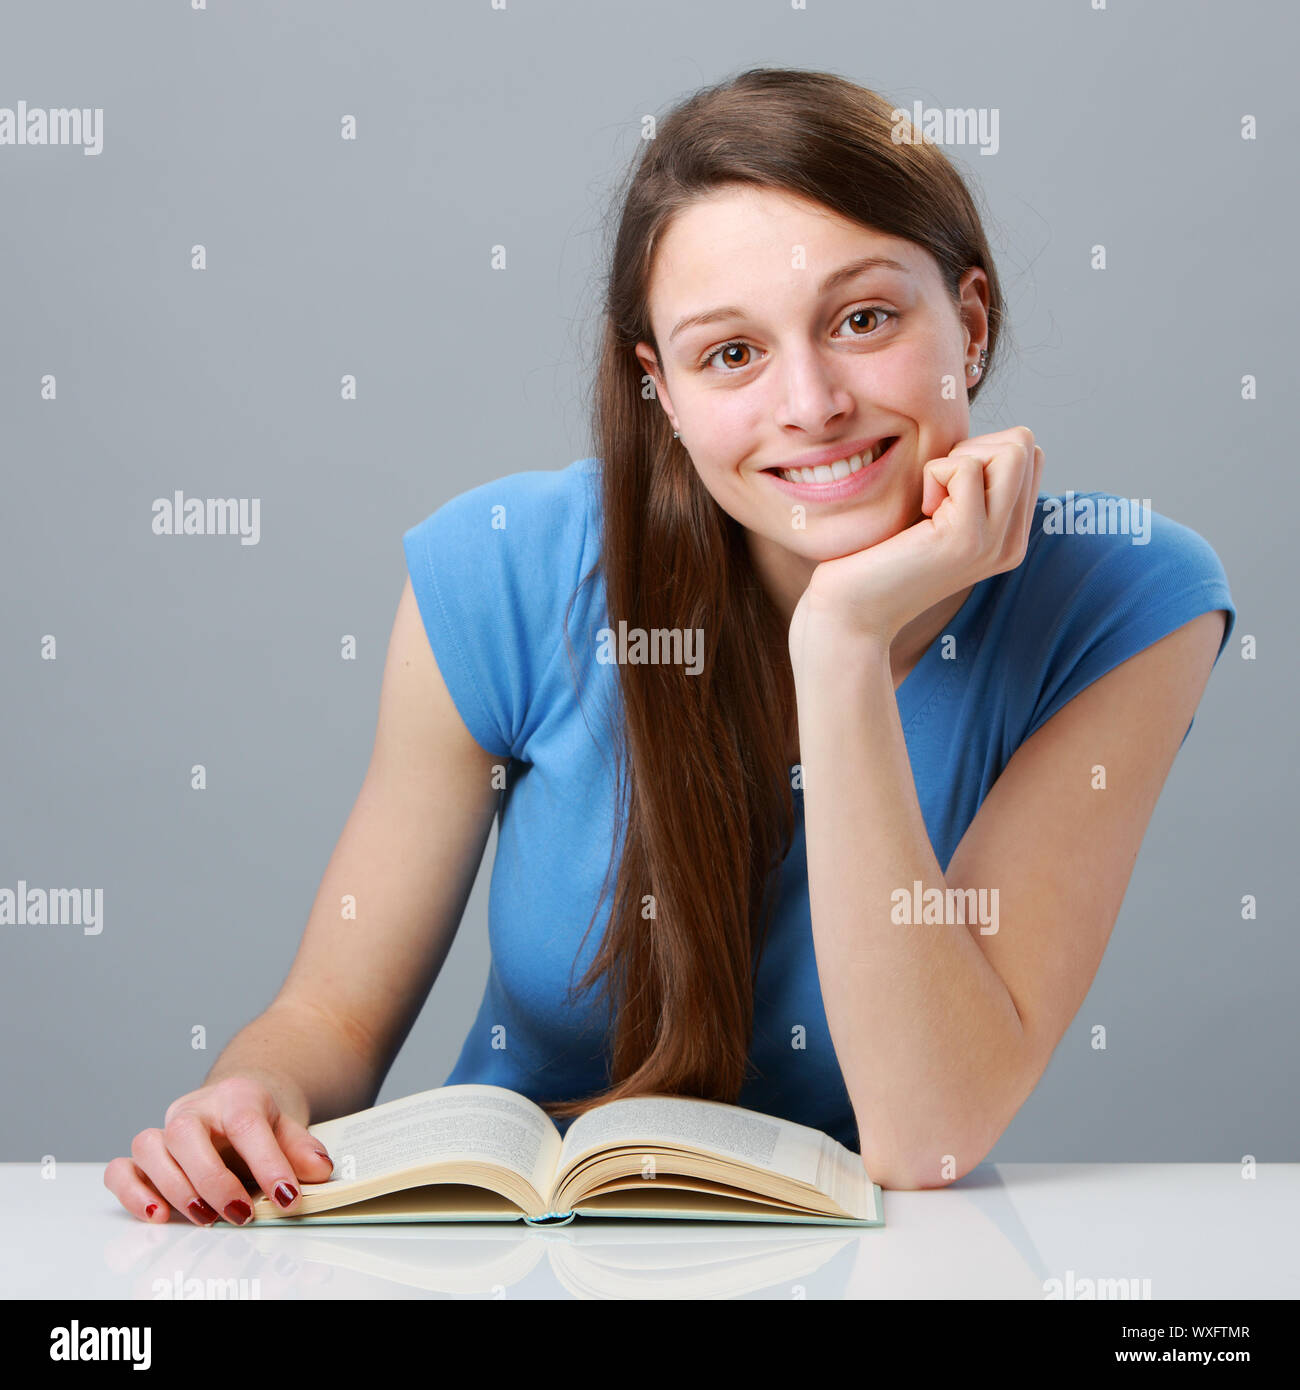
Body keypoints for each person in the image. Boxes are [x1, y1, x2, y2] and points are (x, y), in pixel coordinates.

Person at [104, 67, 1235, 1223]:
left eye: (862, 320)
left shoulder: (1125, 598)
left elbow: (932, 1130)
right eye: (730, 354)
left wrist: (841, 639)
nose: (811, 403)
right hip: (505, 1258)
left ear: (971, 323)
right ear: (662, 392)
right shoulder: (510, 568)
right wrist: (248, 1096)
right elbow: (331, 1018)